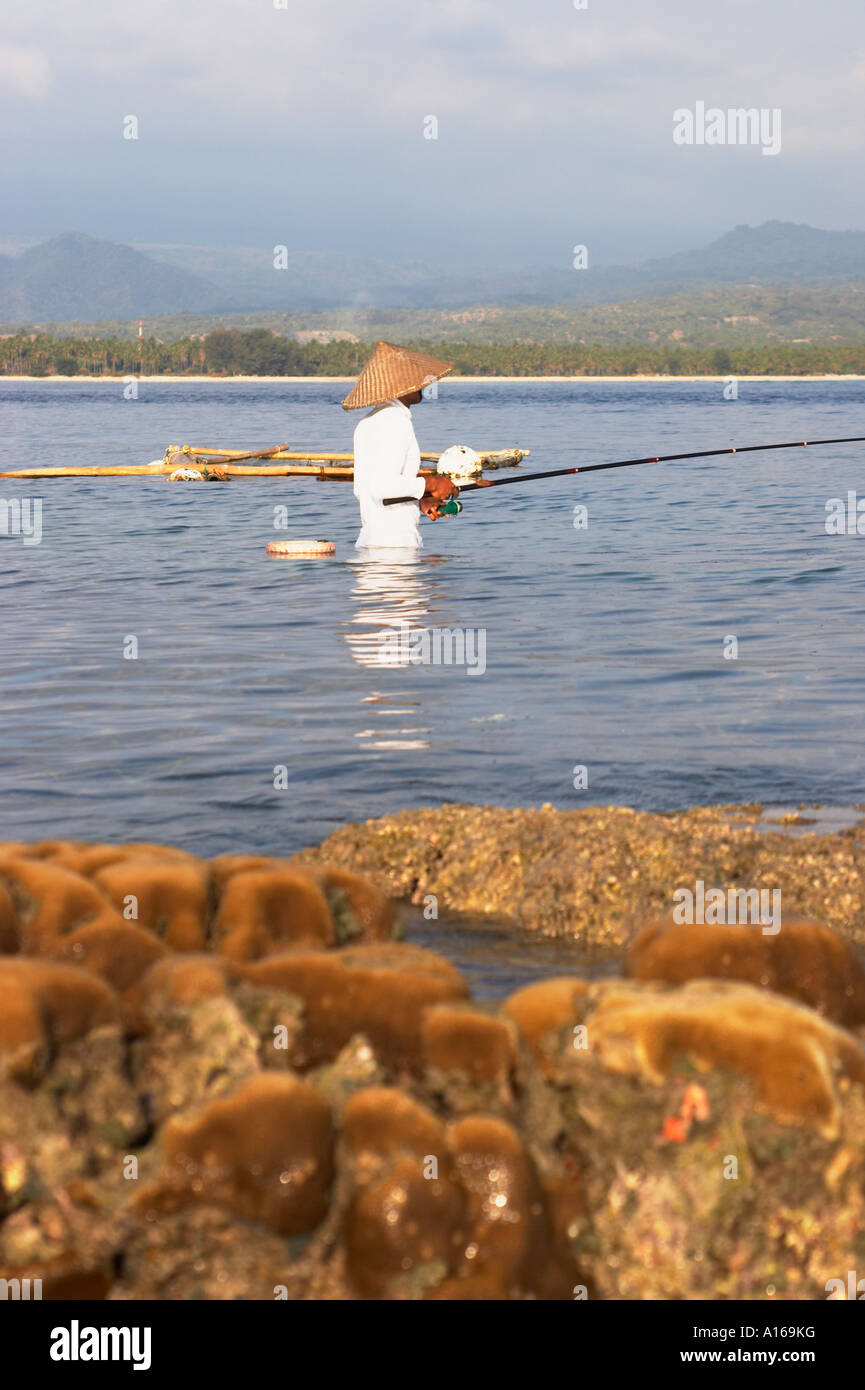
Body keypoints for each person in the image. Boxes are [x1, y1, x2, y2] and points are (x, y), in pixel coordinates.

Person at [342, 341, 458, 549]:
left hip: (370, 541)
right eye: (414, 378)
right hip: (395, 546)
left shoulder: (367, 422)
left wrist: (418, 499)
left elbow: (365, 490)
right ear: (399, 383)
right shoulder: (396, 422)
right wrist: (432, 484)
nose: (423, 383)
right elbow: (383, 486)